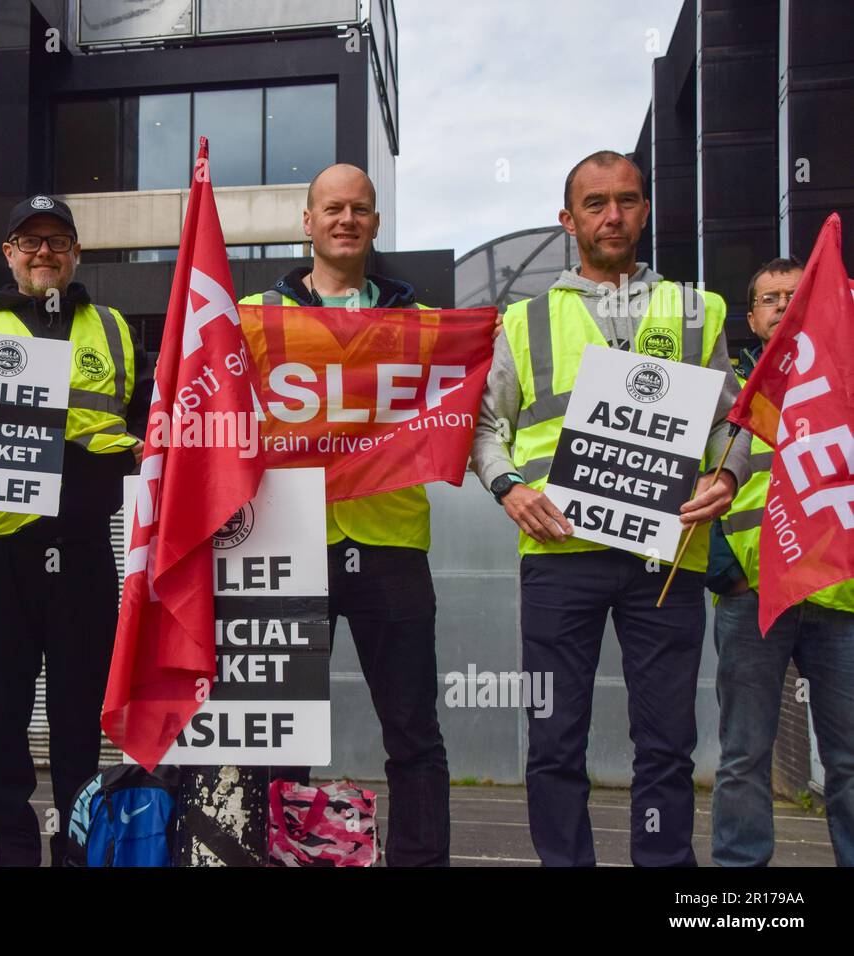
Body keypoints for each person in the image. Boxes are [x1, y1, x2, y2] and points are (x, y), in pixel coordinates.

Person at [471, 149, 749, 867]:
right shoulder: (523, 322)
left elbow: (733, 421)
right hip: (560, 556)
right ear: (569, 220)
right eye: (595, 204)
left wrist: (727, 474)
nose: (613, 215)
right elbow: (483, 426)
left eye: (626, 199)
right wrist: (508, 487)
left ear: (645, 210)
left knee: (666, 741)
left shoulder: (696, 310)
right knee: (555, 737)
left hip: (666, 558)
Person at [0, 195, 152, 866]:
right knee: (0, 710)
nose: (45, 252)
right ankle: (13, 844)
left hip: (81, 548)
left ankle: (75, 846)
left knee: (80, 716)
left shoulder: (111, 327)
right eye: (30, 241)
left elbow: (143, 424)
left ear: (76, 253)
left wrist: (147, 439)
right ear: (10, 255)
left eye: (58, 240)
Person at [239, 163, 451, 867]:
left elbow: (468, 408)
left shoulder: (424, 327)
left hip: (390, 543)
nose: (346, 219)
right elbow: (213, 412)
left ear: (376, 223)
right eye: (332, 208)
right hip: (286, 544)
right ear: (307, 222)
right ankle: (280, 858)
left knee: (413, 731)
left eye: (360, 208)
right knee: (283, 734)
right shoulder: (251, 319)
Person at [707, 256, 854, 866]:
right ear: (752, 316)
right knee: (744, 755)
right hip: (751, 598)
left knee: (848, 757)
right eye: (770, 298)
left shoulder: (844, 382)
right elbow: (691, 480)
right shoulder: (727, 388)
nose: (784, 307)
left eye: (797, 296)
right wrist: (726, 573)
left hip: (838, 598)